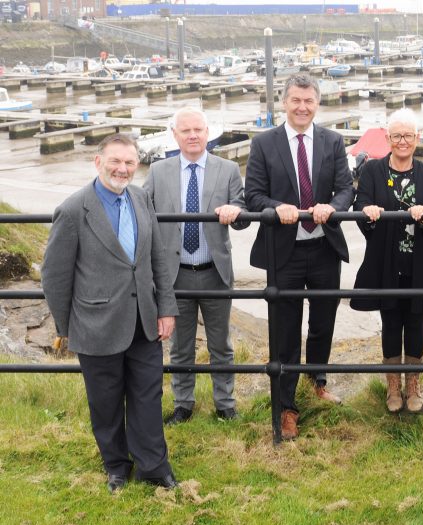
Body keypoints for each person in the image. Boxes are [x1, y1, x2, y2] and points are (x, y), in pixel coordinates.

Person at [41, 133, 179, 493]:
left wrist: (166, 308)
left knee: (149, 397)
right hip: (95, 326)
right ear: (98, 162)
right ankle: (116, 467)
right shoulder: (73, 210)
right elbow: (54, 277)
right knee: (105, 402)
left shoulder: (140, 197)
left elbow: (156, 259)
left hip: (144, 320)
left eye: (130, 163)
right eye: (115, 161)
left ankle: (153, 466)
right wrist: (68, 327)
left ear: (137, 164)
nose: (123, 169)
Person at [245, 73, 356, 440]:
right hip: (284, 250)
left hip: (325, 246)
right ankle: (286, 405)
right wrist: (280, 208)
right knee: (285, 329)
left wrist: (332, 206)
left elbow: (346, 189)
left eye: (309, 101)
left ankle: (318, 380)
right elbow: (254, 196)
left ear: (317, 104)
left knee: (323, 321)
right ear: (284, 102)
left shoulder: (333, 141)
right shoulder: (264, 144)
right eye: (295, 100)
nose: (302, 107)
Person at [143, 107, 248, 424]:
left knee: (221, 344)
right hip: (174, 277)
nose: (192, 135)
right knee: (180, 346)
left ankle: (225, 403)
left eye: (198, 130)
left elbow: (243, 211)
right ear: (174, 134)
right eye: (185, 130)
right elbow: (141, 212)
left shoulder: (227, 169)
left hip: (214, 272)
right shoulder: (158, 172)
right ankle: (183, 403)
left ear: (208, 133)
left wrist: (236, 210)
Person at [351, 109, 423, 414]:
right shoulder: (372, 171)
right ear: (388, 138)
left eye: (408, 135)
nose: (402, 141)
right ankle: (393, 387)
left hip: (420, 260)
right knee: (390, 321)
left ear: (417, 139)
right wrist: (369, 212)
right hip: (386, 260)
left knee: (416, 321)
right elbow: (360, 204)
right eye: (396, 136)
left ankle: (414, 385)